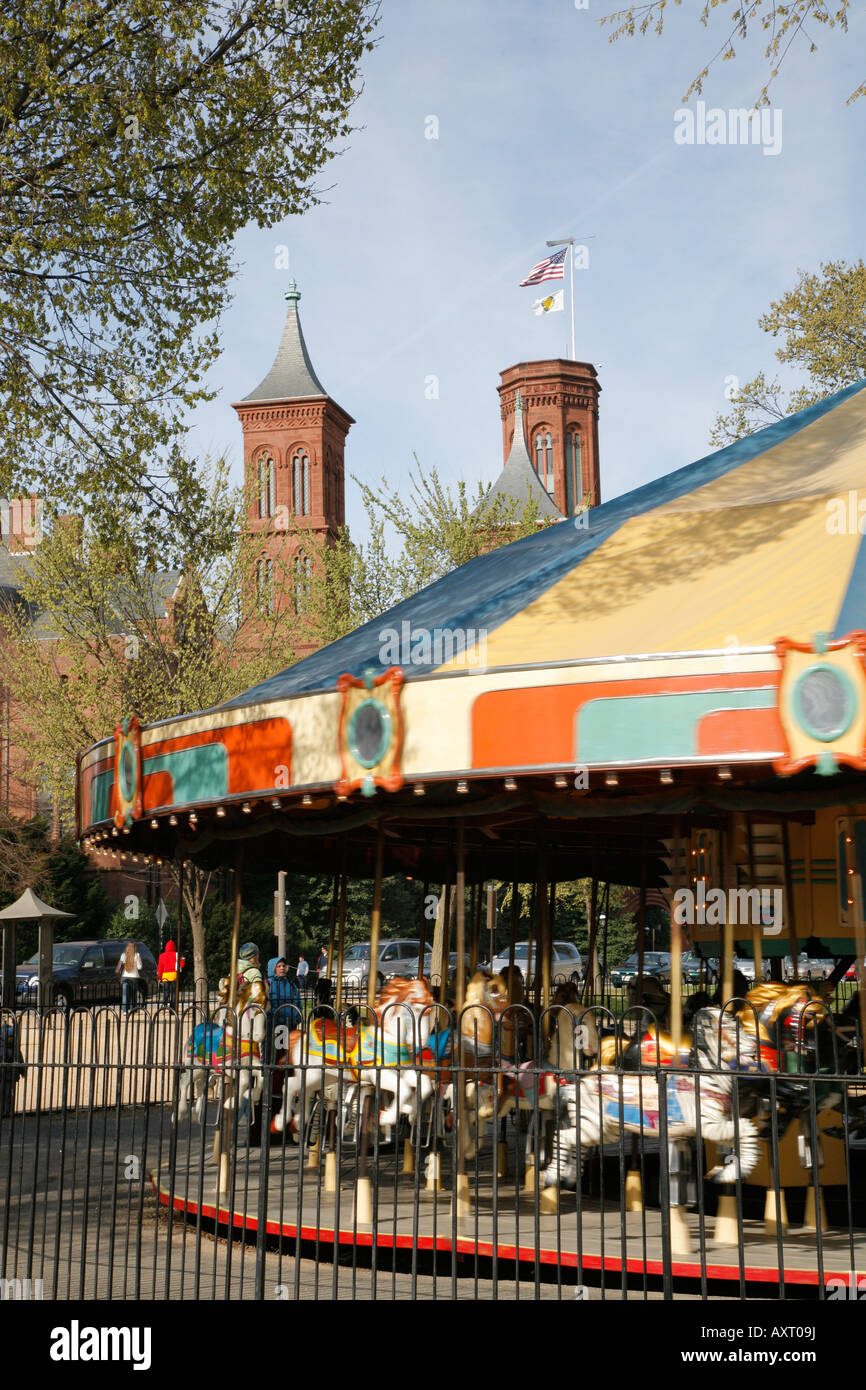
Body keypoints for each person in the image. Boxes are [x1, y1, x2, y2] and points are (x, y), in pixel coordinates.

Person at [267, 956, 302, 1057]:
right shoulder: (268, 985)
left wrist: (297, 1017)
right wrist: (274, 1016)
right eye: (279, 966)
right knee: (275, 1053)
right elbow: (267, 1005)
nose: (282, 968)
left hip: (291, 1024)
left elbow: (298, 1002)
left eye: (283, 966)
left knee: (290, 1052)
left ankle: (287, 1072)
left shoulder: (291, 985)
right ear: (273, 969)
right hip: (275, 1025)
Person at [116, 941, 143, 1014]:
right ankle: (132, 1009)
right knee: (133, 994)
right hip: (134, 977)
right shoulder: (137, 955)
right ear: (134, 948)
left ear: (127, 947)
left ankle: (124, 1010)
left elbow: (118, 968)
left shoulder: (123, 955)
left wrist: (118, 975)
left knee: (125, 994)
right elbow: (140, 967)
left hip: (125, 977)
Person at [157, 938, 185, 1005]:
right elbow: (182, 964)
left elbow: (160, 968)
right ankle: (172, 1008)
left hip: (165, 976)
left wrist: (159, 978)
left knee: (166, 992)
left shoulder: (162, 956)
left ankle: (164, 1004)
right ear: (174, 947)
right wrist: (183, 960)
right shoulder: (177, 954)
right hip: (174, 975)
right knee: (173, 992)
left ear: (166, 947)